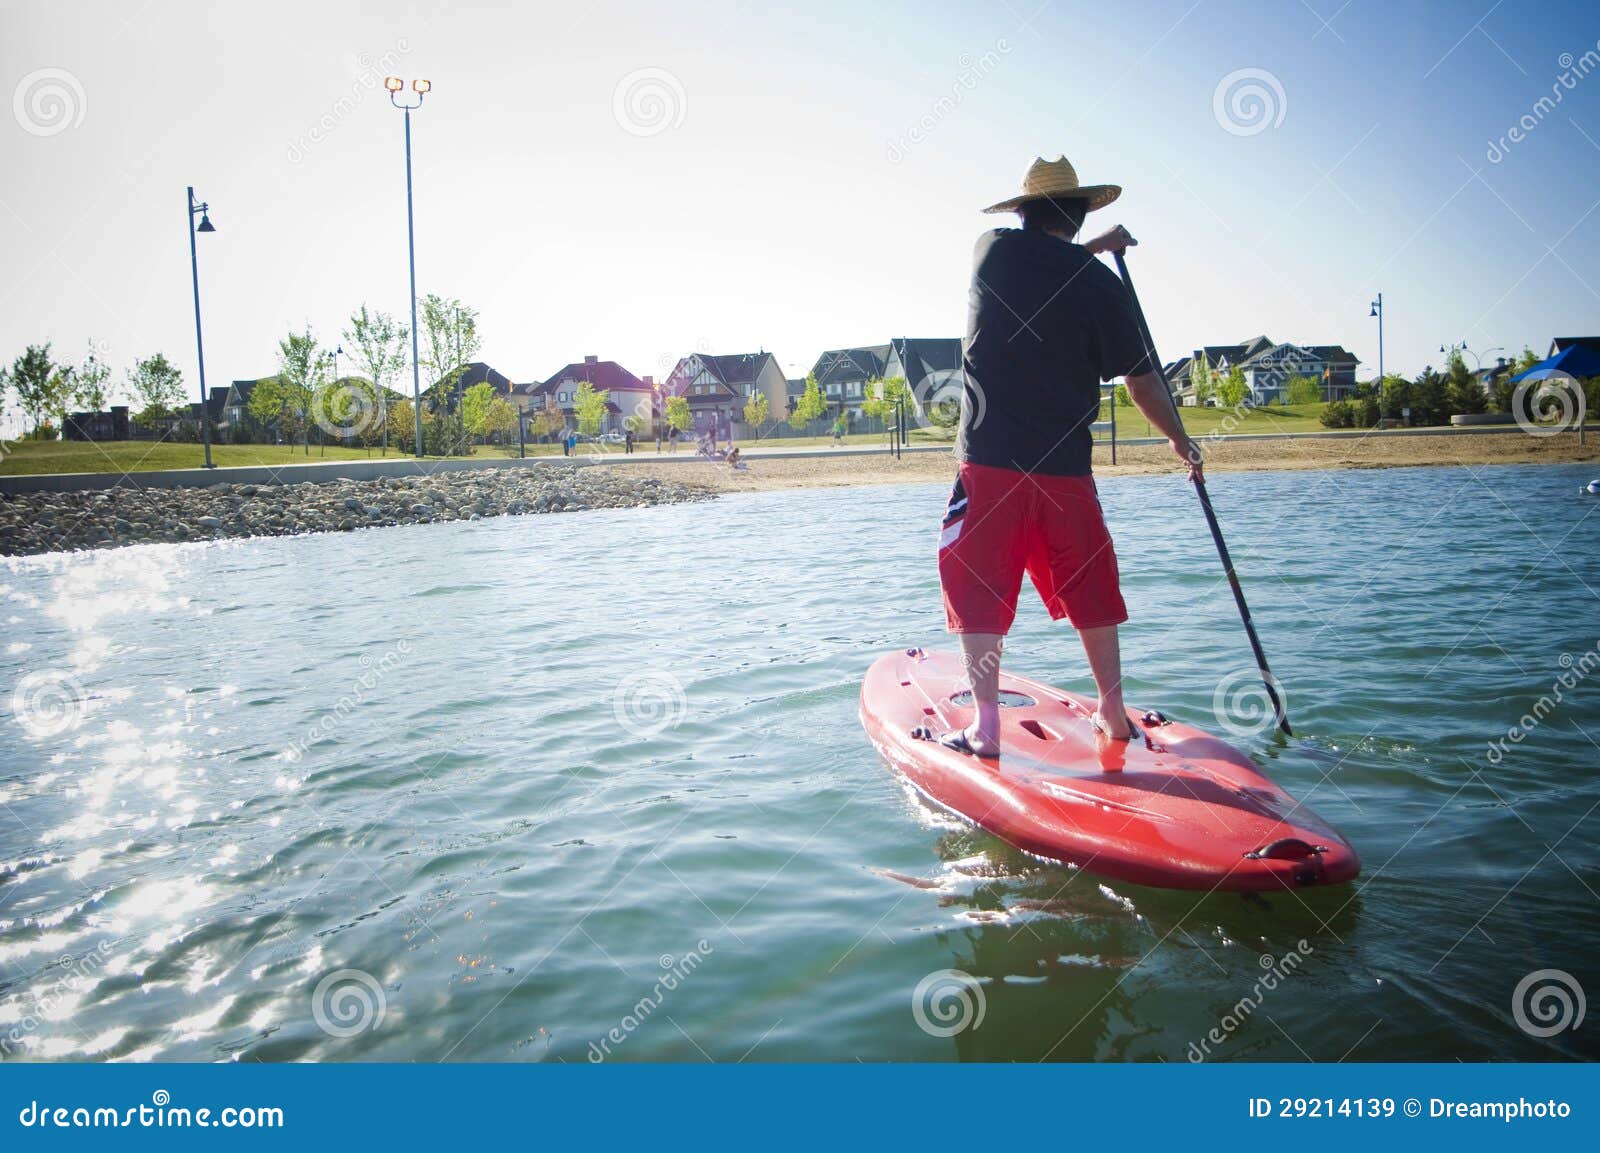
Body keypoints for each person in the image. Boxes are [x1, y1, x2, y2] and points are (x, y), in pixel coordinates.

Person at [937, 155, 1201, 757]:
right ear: (1081, 217)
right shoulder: (1101, 285)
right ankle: (1111, 711)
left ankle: (986, 725)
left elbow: (1047, 268)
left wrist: (1093, 251)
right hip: (1066, 469)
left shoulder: (992, 252)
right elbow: (1144, 382)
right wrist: (1180, 440)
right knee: (1089, 582)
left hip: (990, 461)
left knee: (977, 582)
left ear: (1023, 211)